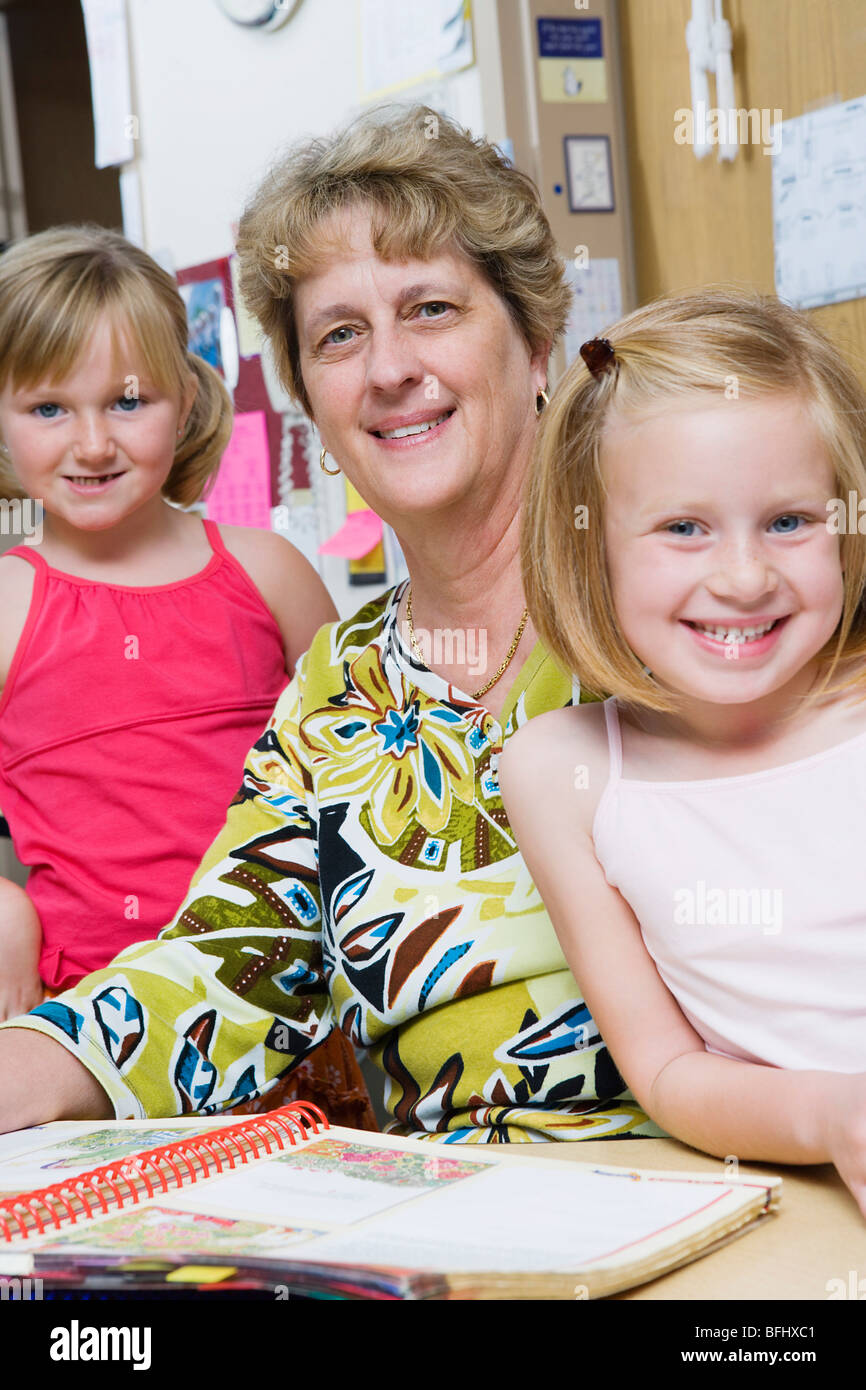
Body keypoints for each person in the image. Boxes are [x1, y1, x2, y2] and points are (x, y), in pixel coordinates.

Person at [0, 106, 658, 1143]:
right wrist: (32, 1059)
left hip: (723, 1189)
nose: (387, 368)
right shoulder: (337, 689)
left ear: (535, 342)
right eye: (339, 335)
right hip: (446, 1233)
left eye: (430, 308)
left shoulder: (677, 598)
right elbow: (230, 958)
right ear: (310, 395)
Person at [498, 287, 866, 1212]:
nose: (745, 576)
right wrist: (833, 1117)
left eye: (790, 520)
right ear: (595, 553)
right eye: (683, 528)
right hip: (805, 1204)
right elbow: (665, 1073)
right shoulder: (562, 774)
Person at [0, 225, 336, 1016]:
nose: (92, 442)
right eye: (49, 407)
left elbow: (361, 773)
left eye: (127, 402)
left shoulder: (271, 572)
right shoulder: (5, 605)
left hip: (288, 1014)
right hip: (89, 1027)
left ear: (185, 401)